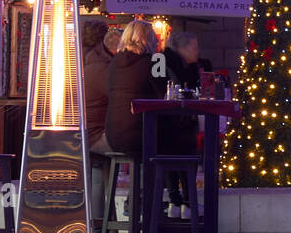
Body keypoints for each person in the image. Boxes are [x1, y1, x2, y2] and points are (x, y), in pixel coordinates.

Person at [104, 20, 165, 160]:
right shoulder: (157, 60)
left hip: (114, 136)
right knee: (180, 141)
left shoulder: (115, 62)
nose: (157, 40)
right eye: (154, 36)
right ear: (148, 39)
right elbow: (165, 95)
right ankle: (163, 181)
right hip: (142, 134)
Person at [160, 31, 203, 218]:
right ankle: (184, 201)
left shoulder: (190, 66)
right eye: (194, 47)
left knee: (182, 151)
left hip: (177, 122)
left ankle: (181, 202)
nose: (198, 52)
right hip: (171, 122)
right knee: (185, 152)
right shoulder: (166, 62)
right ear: (182, 48)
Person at [83, 23, 120, 220]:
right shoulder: (102, 68)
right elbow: (119, 97)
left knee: (98, 174)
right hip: (94, 135)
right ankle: (137, 203)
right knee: (141, 149)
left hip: (88, 133)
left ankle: (99, 228)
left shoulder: (91, 61)